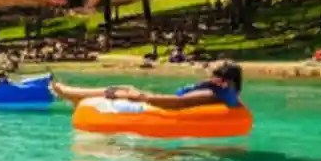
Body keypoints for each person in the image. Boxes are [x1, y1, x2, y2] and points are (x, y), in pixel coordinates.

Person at [51, 61, 245, 110]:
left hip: (155, 107)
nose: (207, 77)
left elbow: (177, 103)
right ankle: (73, 95)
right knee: (125, 86)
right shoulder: (230, 93)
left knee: (124, 89)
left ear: (222, 80)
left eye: (210, 75)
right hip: (158, 102)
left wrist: (138, 96)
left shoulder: (209, 94)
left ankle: (70, 93)